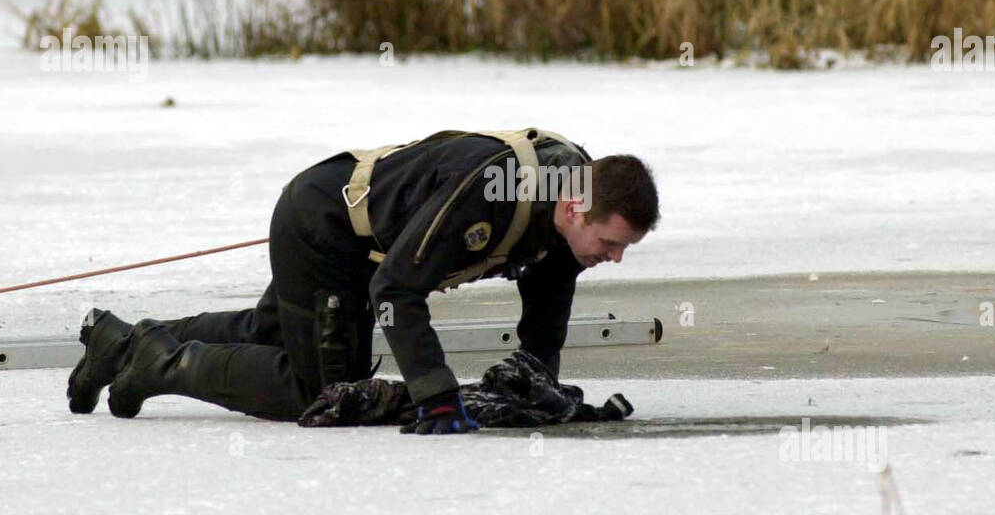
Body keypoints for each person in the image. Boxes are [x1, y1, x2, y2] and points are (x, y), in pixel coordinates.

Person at [65, 128, 659, 435]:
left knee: (272, 334)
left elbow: (550, 293)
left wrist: (539, 385)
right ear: (577, 207)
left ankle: (118, 339)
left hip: (353, 233)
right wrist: (437, 394)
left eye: (623, 248)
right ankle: (154, 361)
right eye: (610, 244)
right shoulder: (493, 194)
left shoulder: (568, 194)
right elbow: (398, 291)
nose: (614, 258)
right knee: (319, 390)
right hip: (325, 228)